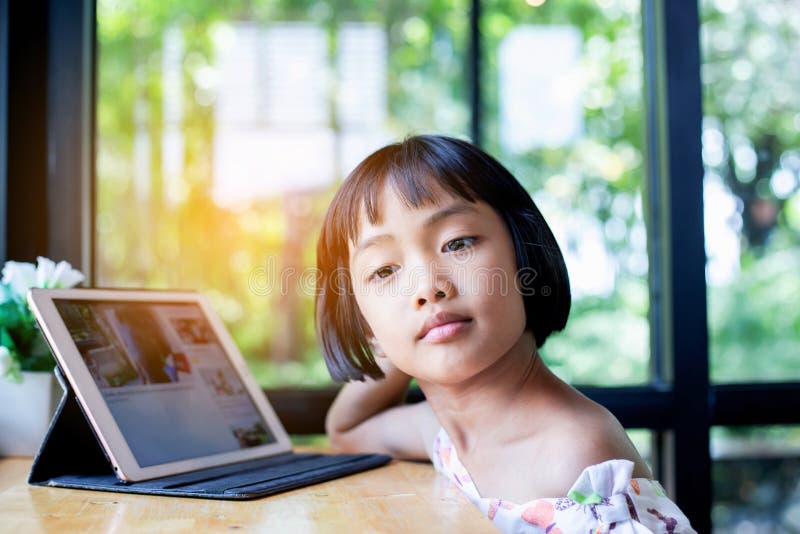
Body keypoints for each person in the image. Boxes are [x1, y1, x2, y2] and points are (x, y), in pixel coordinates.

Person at [315, 134, 695, 532]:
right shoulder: (449, 434)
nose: (428, 286)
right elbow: (347, 429)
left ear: (524, 254)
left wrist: (411, 324)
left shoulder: (575, 457)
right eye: (384, 271)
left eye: (457, 243)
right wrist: (393, 331)